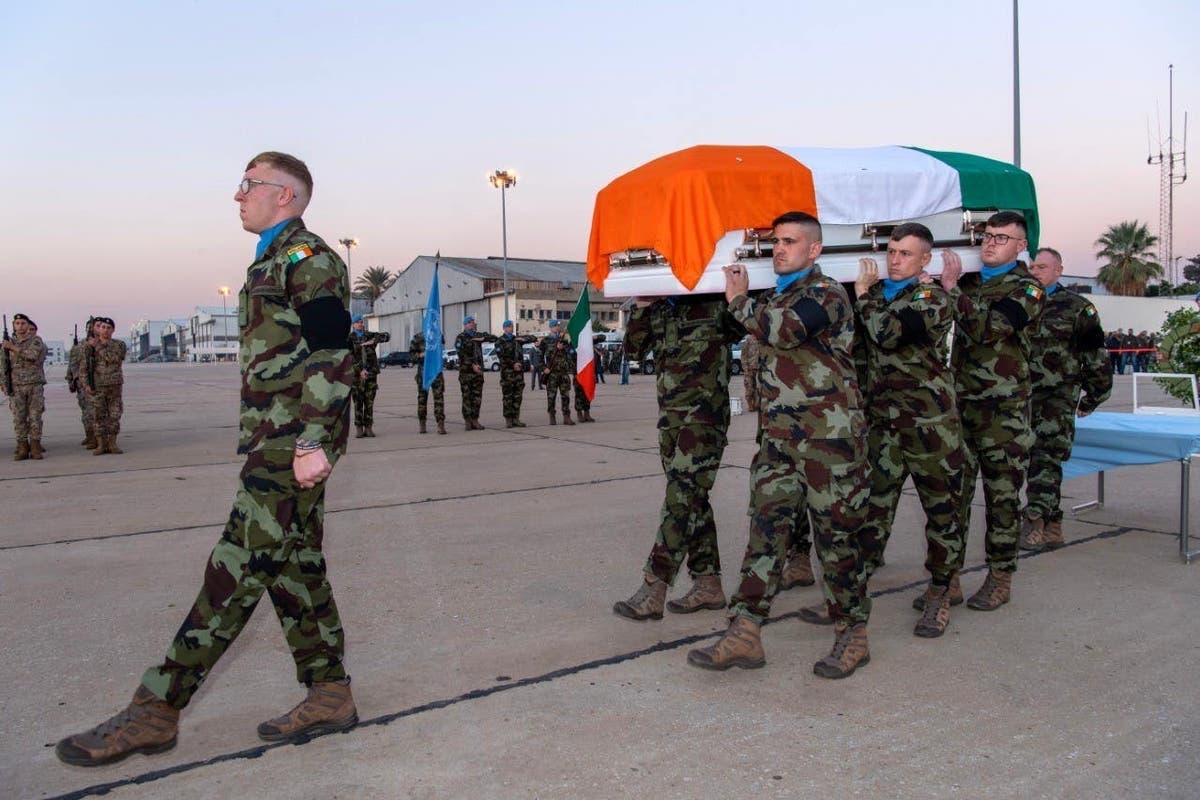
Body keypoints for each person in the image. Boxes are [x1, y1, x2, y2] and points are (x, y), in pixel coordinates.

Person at [57, 151, 357, 767]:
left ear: (287, 197)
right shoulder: (271, 260)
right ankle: (329, 692)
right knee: (293, 567)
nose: (238, 195)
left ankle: (155, 709)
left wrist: (311, 440)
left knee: (235, 569)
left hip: (289, 442)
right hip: (276, 438)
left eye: (250, 184)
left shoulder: (309, 258)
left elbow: (332, 348)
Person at [686, 211, 873, 679]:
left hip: (830, 444)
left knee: (836, 541)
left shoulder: (827, 295)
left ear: (814, 250)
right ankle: (745, 632)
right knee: (764, 535)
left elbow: (783, 330)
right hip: (778, 443)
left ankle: (852, 634)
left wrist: (738, 300)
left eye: (790, 241)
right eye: (776, 242)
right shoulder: (772, 298)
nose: (780, 249)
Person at [827, 223, 965, 638]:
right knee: (869, 513)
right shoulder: (870, 297)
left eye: (905, 253)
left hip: (930, 428)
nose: (894, 259)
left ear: (926, 259)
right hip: (883, 426)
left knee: (942, 514)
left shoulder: (932, 297)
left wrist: (866, 294)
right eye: (891, 250)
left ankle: (941, 594)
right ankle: (850, 599)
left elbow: (888, 334)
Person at [612, 294, 744, 620]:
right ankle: (708, 582)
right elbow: (633, 350)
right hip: (670, 417)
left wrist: (736, 293)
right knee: (692, 499)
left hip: (705, 417)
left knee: (681, 498)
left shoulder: (714, 301)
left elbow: (743, 325)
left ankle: (654, 585)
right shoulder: (658, 307)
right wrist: (641, 307)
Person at [938, 211, 1044, 611]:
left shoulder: (1028, 289)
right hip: (961, 405)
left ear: (1020, 246)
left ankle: (1000, 578)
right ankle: (946, 578)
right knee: (952, 498)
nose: (990, 242)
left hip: (1005, 414)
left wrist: (951, 291)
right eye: (986, 235)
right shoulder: (966, 281)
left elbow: (990, 327)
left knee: (1001, 500)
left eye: (1002, 238)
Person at [1020, 247, 1112, 551]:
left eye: (1043, 267)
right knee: (1033, 462)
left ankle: (1034, 523)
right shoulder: (1019, 304)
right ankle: (1054, 526)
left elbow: (1096, 355)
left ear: (1059, 271)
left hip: (1057, 398)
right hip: (1020, 397)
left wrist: (1095, 395)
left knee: (1045, 460)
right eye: (1032, 266)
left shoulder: (1078, 308)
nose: (1035, 272)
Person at [2, 313, 48, 460]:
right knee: (19, 417)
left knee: (35, 416)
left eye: (23, 323)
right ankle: (22, 447)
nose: (20, 326)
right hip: (16, 386)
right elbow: (3, 365)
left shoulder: (35, 341)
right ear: (13, 326)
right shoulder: (7, 343)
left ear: (28, 325)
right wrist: (3, 382)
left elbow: (32, 356)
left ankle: (35, 446)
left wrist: (13, 348)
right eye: (17, 323)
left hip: (34, 384)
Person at [82, 317, 128, 455]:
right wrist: (86, 384)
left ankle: (112, 443)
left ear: (113, 330)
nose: (105, 330)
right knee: (98, 415)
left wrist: (98, 346)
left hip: (114, 386)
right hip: (98, 386)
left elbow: (114, 359)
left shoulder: (119, 345)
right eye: (102, 327)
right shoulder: (88, 346)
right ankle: (101, 444)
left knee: (114, 415)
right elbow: (83, 367)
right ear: (98, 329)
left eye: (108, 328)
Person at [348, 314, 390, 438]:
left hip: (371, 374)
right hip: (357, 376)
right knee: (358, 402)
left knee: (369, 402)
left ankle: (369, 427)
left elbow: (387, 336)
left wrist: (374, 340)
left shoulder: (369, 335)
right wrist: (359, 370)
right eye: (358, 322)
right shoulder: (350, 338)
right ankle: (359, 428)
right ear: (353, 324)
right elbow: (348, 357)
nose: (360, 324)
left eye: (361, 322)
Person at [455, 315, 495, 430]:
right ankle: (467, 421)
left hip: (478, 373)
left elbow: (494, 338)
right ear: (465, 324)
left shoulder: (478, 335)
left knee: (477, 397)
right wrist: (472, 365)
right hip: (466, 373)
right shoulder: (460, 337)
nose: (471, 324)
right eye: (469, 322)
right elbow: (460, 354)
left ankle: (475, 420)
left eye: (472, 322)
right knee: (467, 397)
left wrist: (483, 339)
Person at [495, 320, 536, 427]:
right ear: (504, 328)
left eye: (512, 326)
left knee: (518, 397)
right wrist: (513, 364)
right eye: (508, 326)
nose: (511, 328)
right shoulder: (500, 341)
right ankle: (508, 419)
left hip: (518, 375)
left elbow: (533, 338)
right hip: (507, 374)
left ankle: (516, 418)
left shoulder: (517, 340)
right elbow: (502, 357)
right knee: (508, 397)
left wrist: (523, 339)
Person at [66, 318, 97, 449]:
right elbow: (72, 364)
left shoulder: (101, 344)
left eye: (94, 327)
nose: (91, 329)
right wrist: (71, 380)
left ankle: (99, 437)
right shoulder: (78, 346)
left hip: (98, 382)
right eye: (89, 327)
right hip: (82, 384)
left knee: (98, 411)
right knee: (86, 411)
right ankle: (90, 435)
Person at [410, 331, 446, 434]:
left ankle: (440, 424)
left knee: (439, 398)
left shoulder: (438, 335)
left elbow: (442, 344)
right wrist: (420, 355)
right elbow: (411, 355)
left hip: (436, 372)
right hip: (423, 373)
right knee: (422, 399)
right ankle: (422, 423)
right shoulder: (418, 337)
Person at [539, 319, 574, 425]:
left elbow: (569, 354)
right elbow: (540, 356)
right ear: (550, 327)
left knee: (566, 396)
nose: (557, 328)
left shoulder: (563, 340)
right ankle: (552, 415)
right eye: (555, 326)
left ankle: (566, 416)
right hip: (552, 373)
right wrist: (544, 368)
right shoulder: (545, 340)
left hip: (563, 373)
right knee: (551, 396)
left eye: (558, 326)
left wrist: (563, 348)